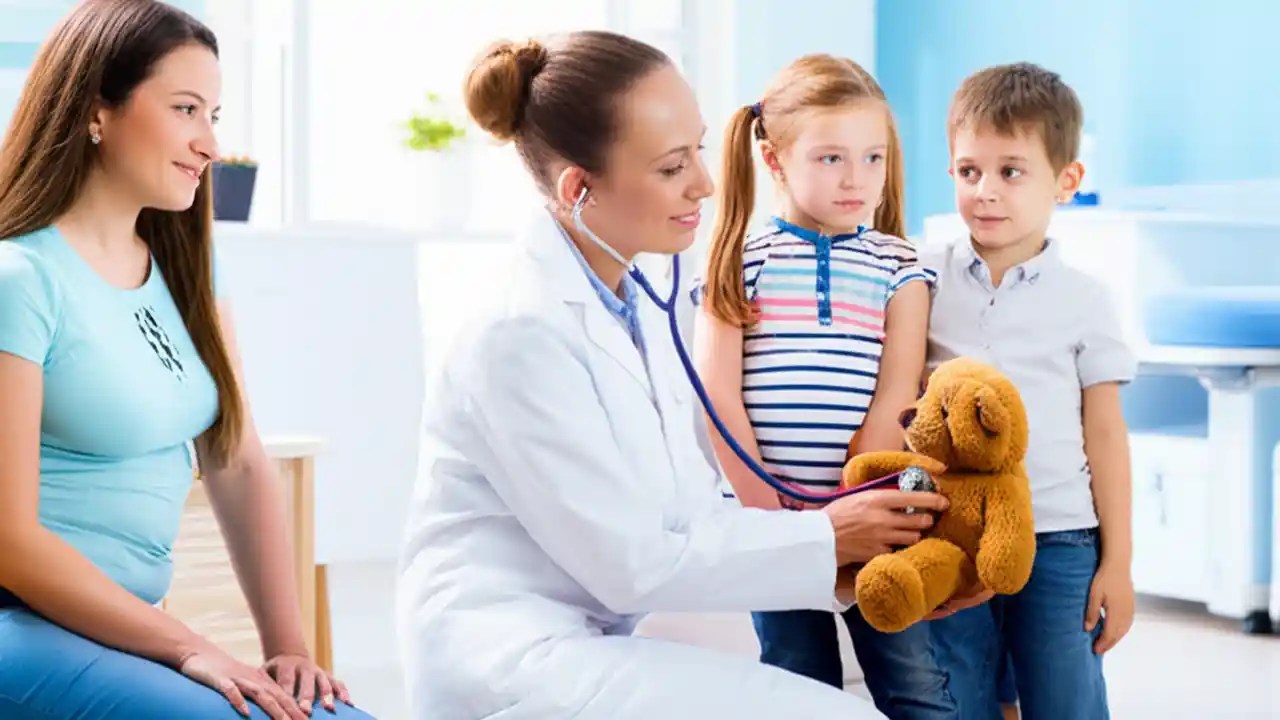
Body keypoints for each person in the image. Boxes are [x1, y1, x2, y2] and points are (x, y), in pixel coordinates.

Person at [395, 31, 950, 720]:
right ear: (579, 188)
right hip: (509, 657)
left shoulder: (638, 303)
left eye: (698, 147)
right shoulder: (518, 335)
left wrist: (854, 552)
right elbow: (631, 564)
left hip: (596, 635)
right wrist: (833, 536)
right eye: (670, 166)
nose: (706, 183)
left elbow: (687, 513)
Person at [0, 2, 371, 718]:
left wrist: (291, 650)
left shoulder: (189, 276)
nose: (209, 143)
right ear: (95, 111)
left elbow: (235, 458)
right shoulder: (20, 281)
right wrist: (190, 647)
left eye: (215, 115)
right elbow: (10, 541)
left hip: (124, 631)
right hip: (21, 625)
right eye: (185, 108)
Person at [692, 54, 955, 719]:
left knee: (916, 682)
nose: (857, 179)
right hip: (769, 526)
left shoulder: (901, 264)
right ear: (774, 160)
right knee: (796, 684)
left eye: (873, 158)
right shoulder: (736, 260)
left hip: (876, 513)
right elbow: (717, 398)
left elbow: (897, 391)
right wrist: (777, 520)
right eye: (831, 158)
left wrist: (854, 509)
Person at [922, 62, 1137, 720]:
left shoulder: (1087, 299)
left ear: (1066, 181)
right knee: (958, 700)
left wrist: (1119, 565)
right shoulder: (922, 278)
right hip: (953, 532)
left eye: (1010, 171)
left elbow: (1105, 435)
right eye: (968, 171)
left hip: (1061, 537)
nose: (985, 191)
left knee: (1065, 700)